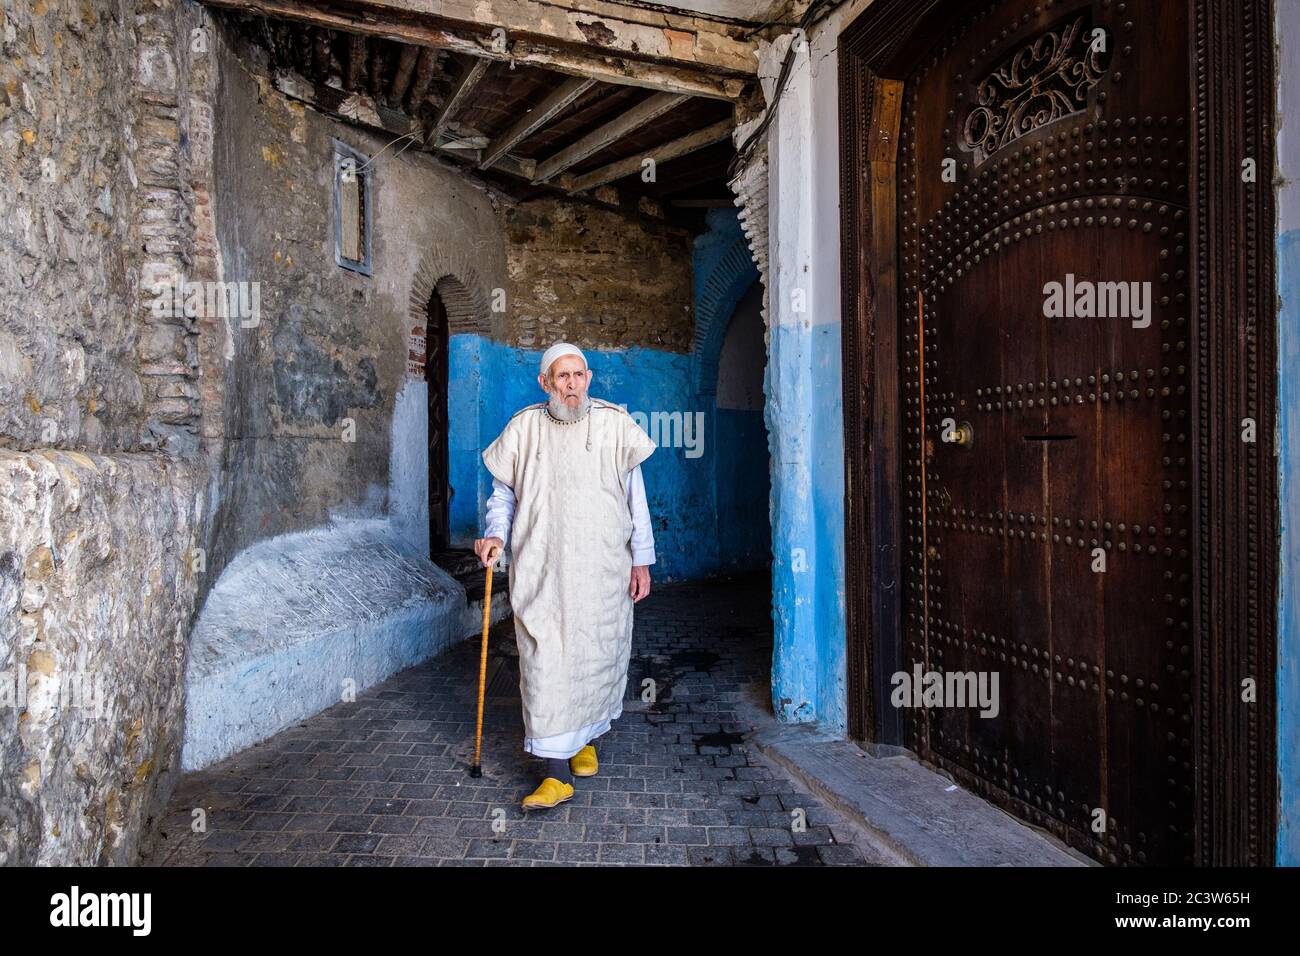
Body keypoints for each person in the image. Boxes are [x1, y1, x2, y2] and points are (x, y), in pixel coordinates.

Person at [473, 341, 657, 810]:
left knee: (595, 658)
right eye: (562, 377)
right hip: (542, 572)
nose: (571, 385)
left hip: (601, 572)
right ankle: (555, 775)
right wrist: (495, 535)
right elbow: (503, 496)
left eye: (578, 376)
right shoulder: (523, 428)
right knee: (545, 661)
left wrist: (641, 561)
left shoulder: (616, 425)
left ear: (589, 379)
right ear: (545, 383)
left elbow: (637, 502)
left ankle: (584, 741)